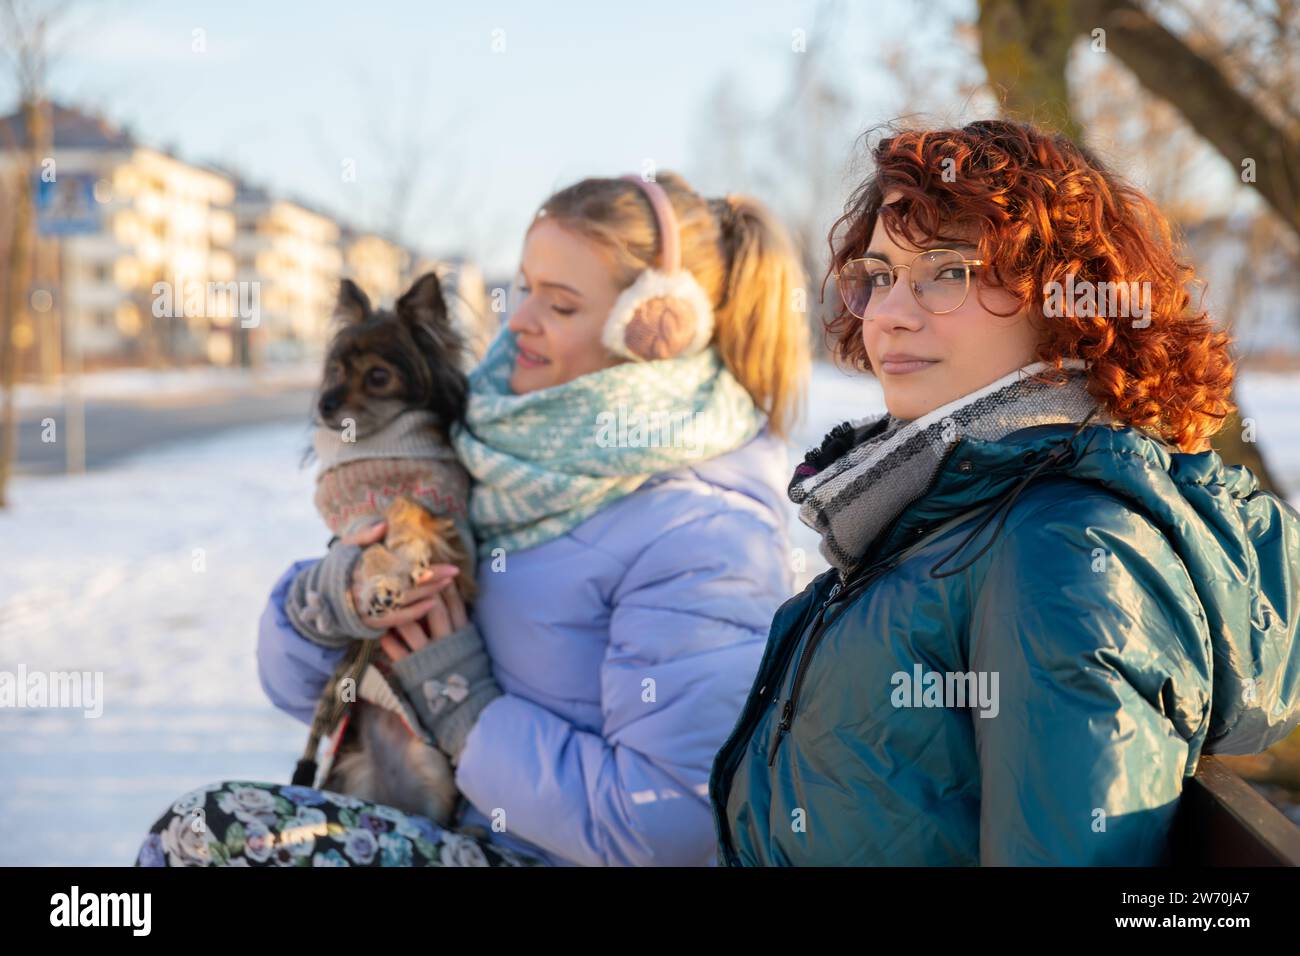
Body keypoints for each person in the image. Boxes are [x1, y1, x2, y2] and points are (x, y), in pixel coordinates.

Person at [136, 171, 811, 867]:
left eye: (562, 304)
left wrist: (461, 706)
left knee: (206, 836)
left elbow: (666, 824)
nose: (519, 318)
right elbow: (297, 689)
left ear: (654, 328)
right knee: (199, 832)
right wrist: (326, 604)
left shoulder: (703, 534)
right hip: (447, 830)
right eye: (525, 289)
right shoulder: (487, 455)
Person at [709, 119, 1300, 866]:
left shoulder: (1065, 548)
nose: (889, 312)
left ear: (1065, 303)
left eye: (947, 271)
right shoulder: (944, 504)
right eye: (881, 275)